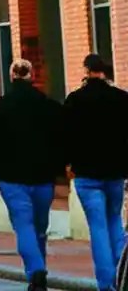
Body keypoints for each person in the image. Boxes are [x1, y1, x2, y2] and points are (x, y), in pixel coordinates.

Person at [0, 59, 64, 291]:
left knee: (23, 224)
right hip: (43, 178)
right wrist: (58, 169)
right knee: (39, 228)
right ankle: (38, 272)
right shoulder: (50, 108)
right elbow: (61, 141)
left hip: (11, 178)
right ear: (32, 76)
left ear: (11, 77)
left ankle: (36, 270)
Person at [63, 54, 128, 291]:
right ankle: (124, 277)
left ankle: (106, 284)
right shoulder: (122, 99)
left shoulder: (74, 100)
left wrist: (68, 164)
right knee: (115, 223)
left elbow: (65, 137)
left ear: (86, 70)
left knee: (98, 227)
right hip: (115, 173)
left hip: (86, 174)